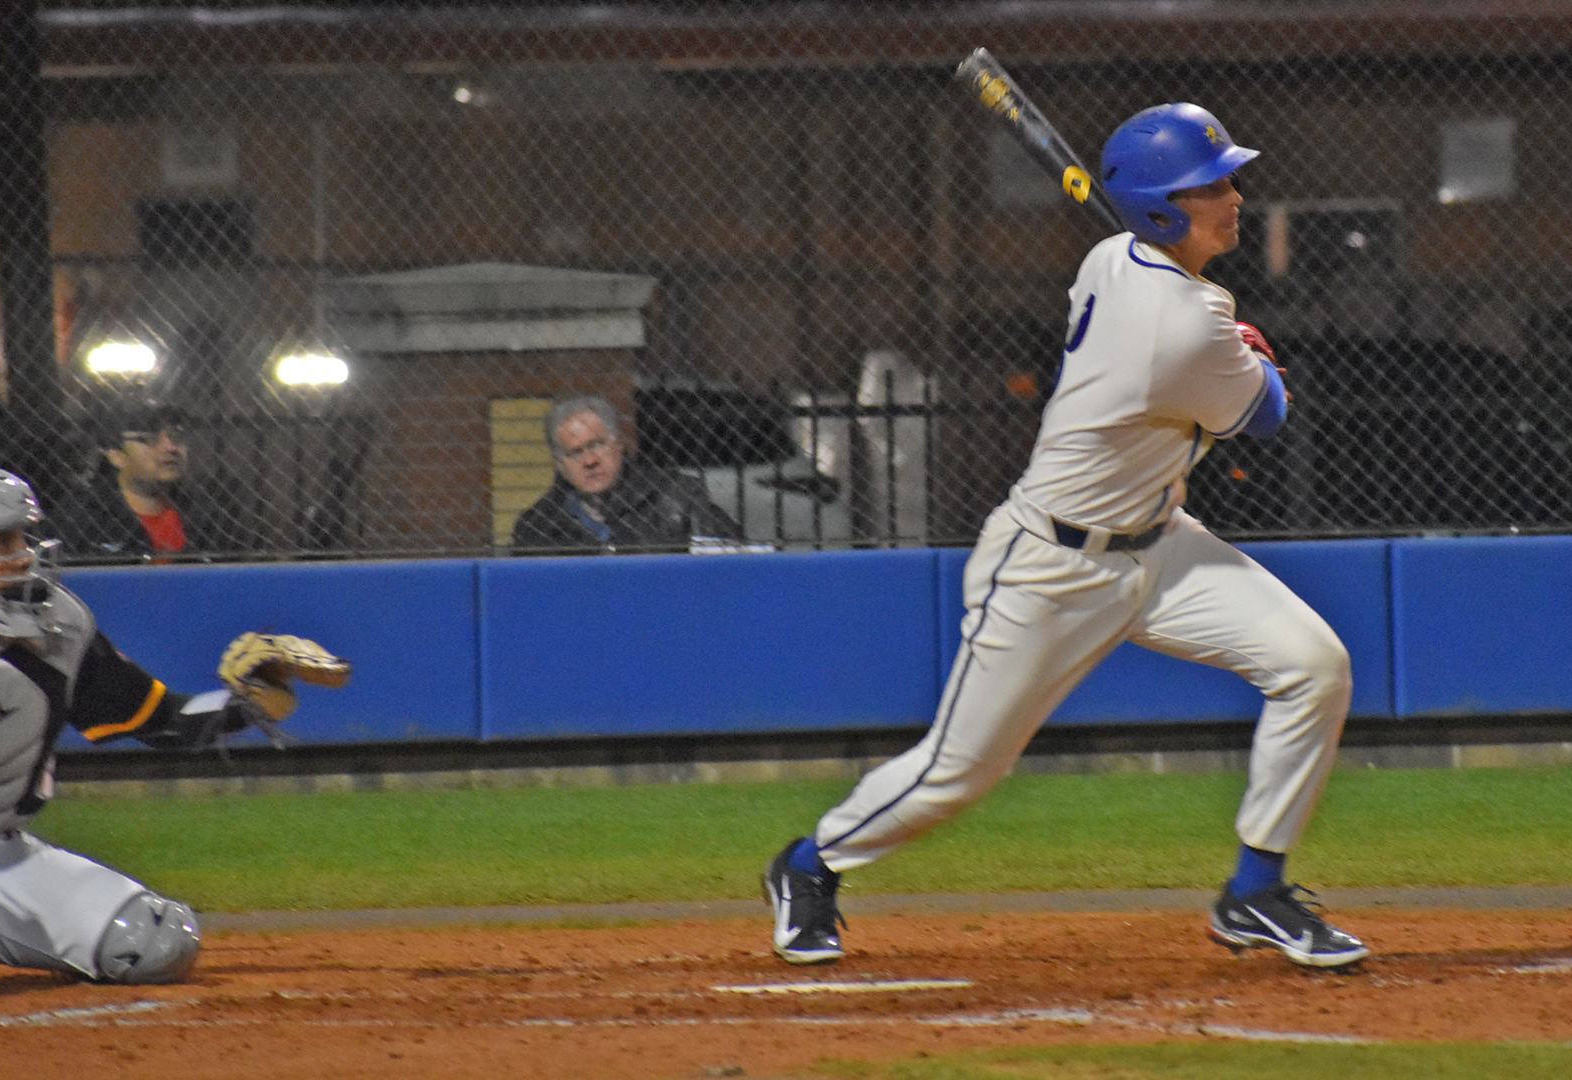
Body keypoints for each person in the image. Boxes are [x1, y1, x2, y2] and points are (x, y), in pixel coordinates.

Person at [763, 103, 1368, 969]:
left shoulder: (1113, 258)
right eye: (1210, 186)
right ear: (1161, 212)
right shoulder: (1181, 323)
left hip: (1161, 546)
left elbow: (1203, 335)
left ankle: (1255, 891)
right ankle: (808, 865)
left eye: (1227, 179)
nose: (1234, 195)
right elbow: (1268, 413)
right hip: (1051, 568)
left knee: (1313, 665)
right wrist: (1252, 349)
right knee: (957, 773)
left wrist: (1226, 327)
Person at [0, 463, 338, 984]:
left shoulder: (59, 629)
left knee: (156, 941)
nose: (23, 555)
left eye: (22, 538)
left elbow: (161, 718)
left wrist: (249, 702)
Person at [511, 393, 743, 553]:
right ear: (560, 463)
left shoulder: (678, 498)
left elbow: (727, 572)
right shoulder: (538, 525)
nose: (590, 461)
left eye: (597, 445)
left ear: (619, 443)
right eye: (575, 453)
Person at [51, 401, 254, 563]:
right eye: (150, 438)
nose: (171, 448)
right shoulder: (83, 517)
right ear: (116, 455)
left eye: (176, 437)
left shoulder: (208, 515)